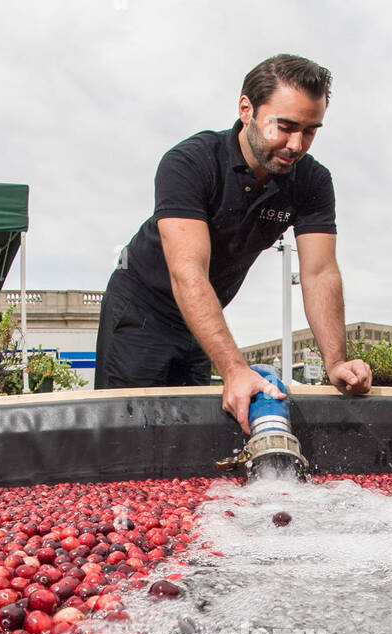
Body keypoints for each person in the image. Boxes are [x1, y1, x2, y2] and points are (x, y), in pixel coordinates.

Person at [94, 53, 372, 431]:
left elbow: (320, 272)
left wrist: (336, 362)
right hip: (142, 311)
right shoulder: (189, 163)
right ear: (247, 109)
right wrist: (234, 368)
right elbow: (187, 271)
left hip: (200, 319)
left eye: (310, 130)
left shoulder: (313, 182)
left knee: (187, 432)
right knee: (130, 431)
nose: (296, 144)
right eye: (285, 126)